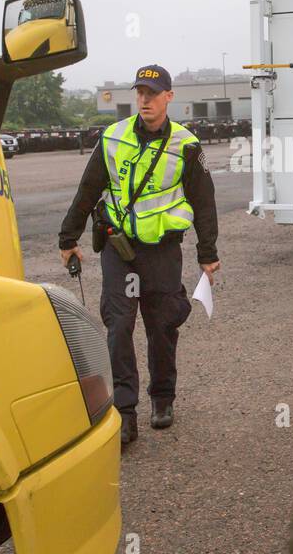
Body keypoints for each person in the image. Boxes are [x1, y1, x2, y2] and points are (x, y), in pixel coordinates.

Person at [59, 65, 220, 445]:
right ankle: (125, 413)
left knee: (162, 326)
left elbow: (204, 202)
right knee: (119, 327)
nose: (145, 100)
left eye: (153, 93)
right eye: (140, 93)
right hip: (120, 248)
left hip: (162, 251)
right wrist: (68, 236)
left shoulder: (186, 145)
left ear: (169, 96)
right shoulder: (113, 138)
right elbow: (88, 188)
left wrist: (207, 253)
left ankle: (162, 398)